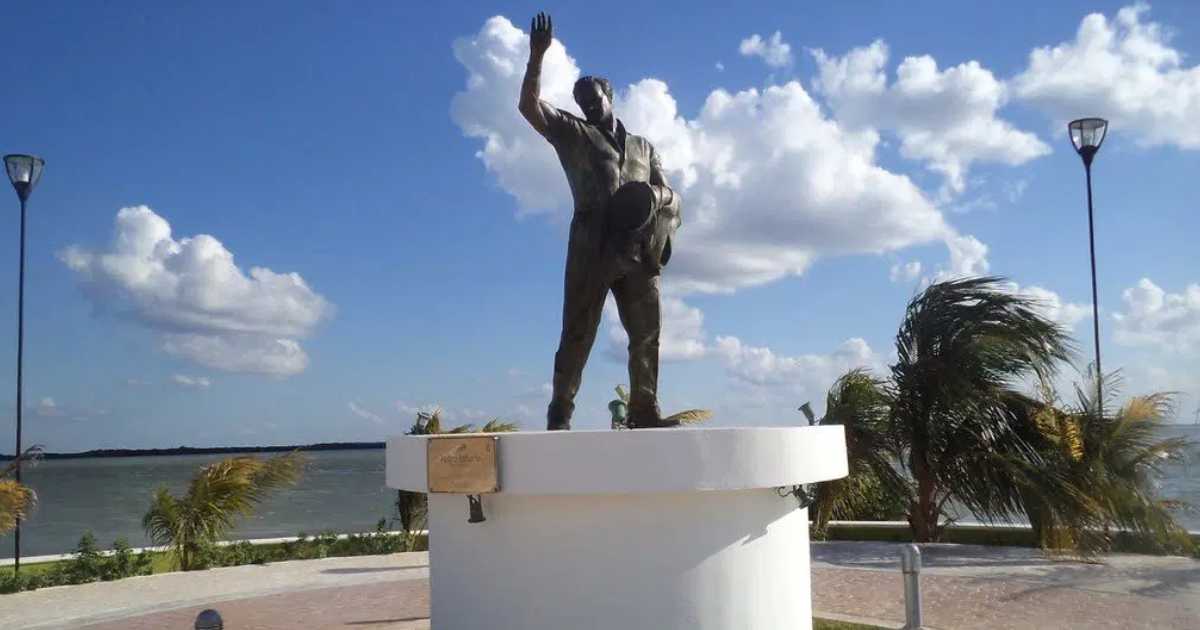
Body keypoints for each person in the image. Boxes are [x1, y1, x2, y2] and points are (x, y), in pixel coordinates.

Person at [518, 12, 682, 431]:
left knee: (647, 336)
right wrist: (537, 56)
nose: (590, 105)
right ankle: (560, 412)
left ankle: (644, 411)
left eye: (595, 98)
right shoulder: (573, 132)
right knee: (577, 335)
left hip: (639, 253)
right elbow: (529, 106)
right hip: (592, 250)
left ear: (610, 94)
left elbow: (674, 199)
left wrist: (654, 195)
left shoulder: (644, 147)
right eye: (584, 102)